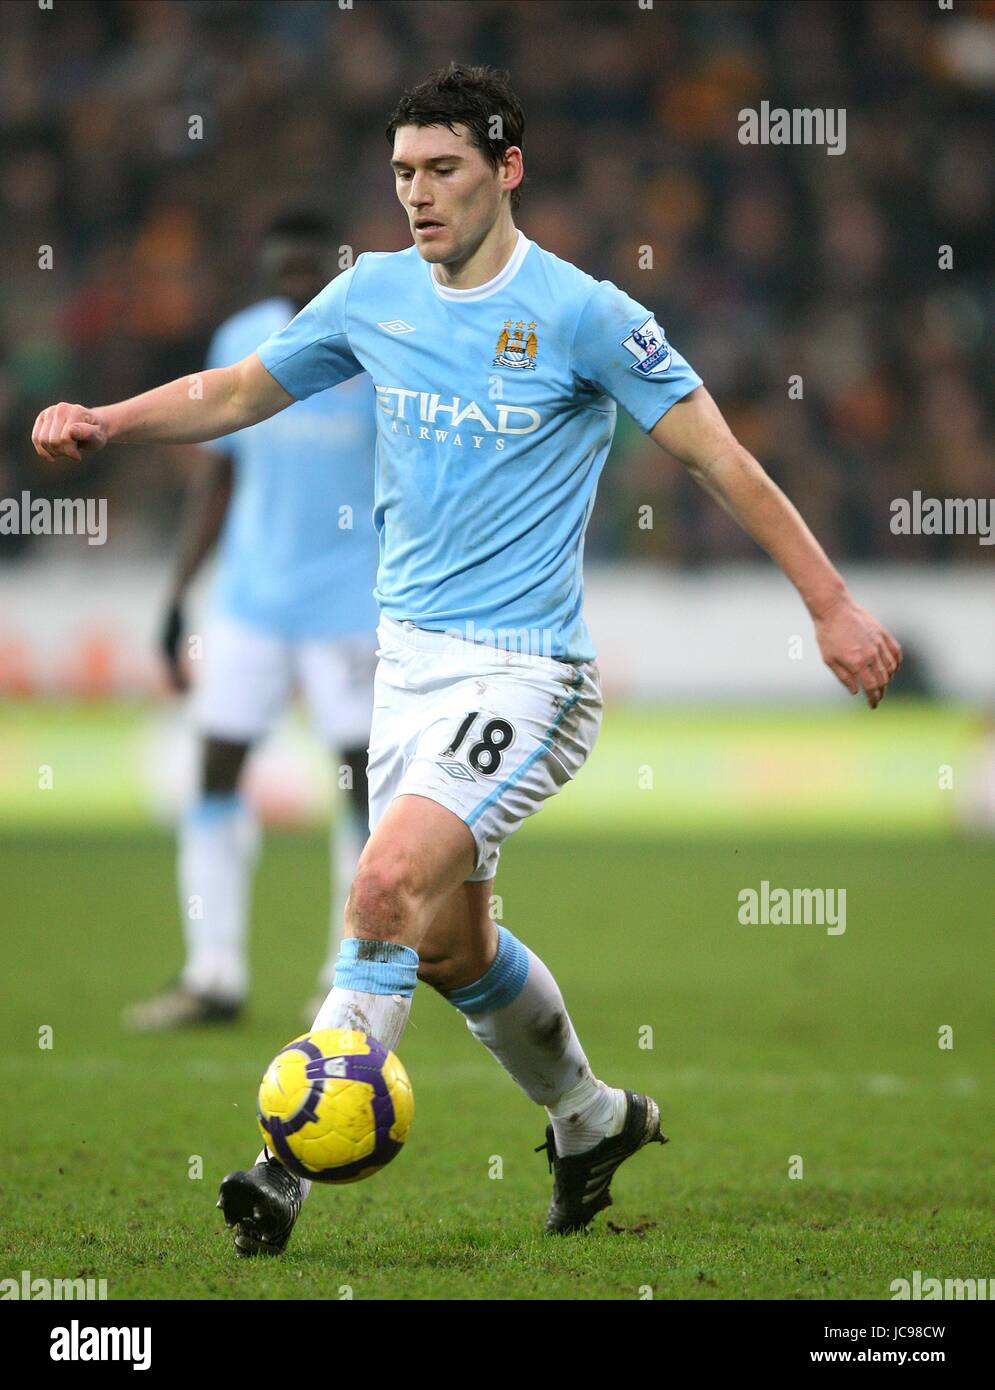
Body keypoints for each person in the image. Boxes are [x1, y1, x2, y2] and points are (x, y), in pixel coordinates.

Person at [32, 63, 901, 1248]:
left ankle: (279, 1167)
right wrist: (107, 418)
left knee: (384, 882)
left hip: (525, 676)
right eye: (402, 174)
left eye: (443, 170)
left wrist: (831, 606)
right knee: (448, 947)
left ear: (507, 169)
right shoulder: (371, 295)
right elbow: (236, 391)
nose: (418, 196)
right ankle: (590, 1118)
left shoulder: (589, 314)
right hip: (406, 669)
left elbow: (721, 460)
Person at [122, 210, 380, 1031]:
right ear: (269, 271)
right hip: (250, 602)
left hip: (352, 606)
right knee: (216, 773)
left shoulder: (375, 346)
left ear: (334, 268)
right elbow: (219, 477)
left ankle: (351, 976)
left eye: (310, 266)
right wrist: (177, 594)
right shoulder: (242, 338)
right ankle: (214, 974)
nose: (296, 281)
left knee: (361, 791)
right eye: (284, 267)